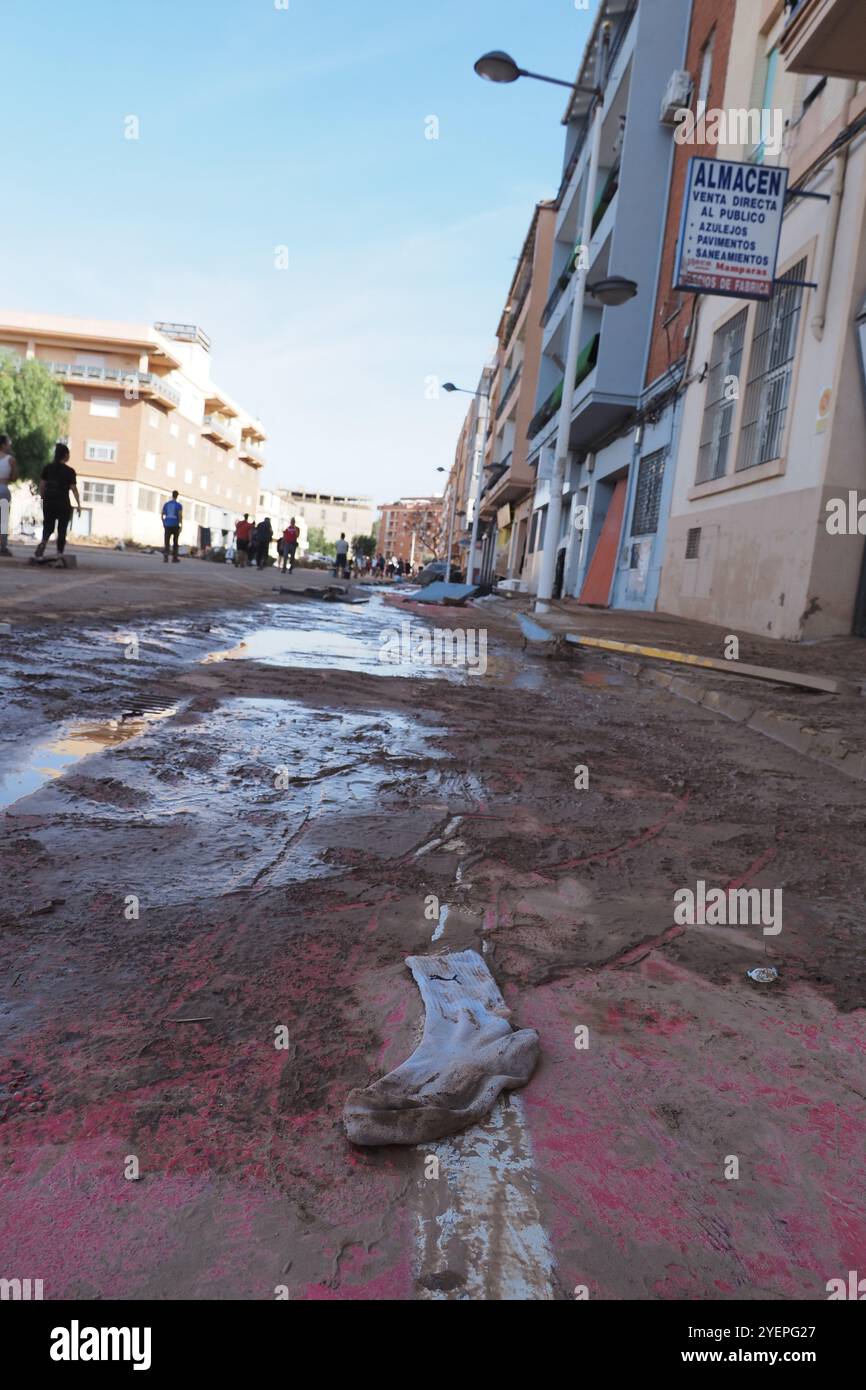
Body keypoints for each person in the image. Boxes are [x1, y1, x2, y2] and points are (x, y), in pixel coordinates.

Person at [34, 444, 80, 564]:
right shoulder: (69, 471)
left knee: (48, 525)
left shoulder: (48, 468)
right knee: (62, 528)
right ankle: (59, 553)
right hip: (63, 502)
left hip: (49, 501)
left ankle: (43, 542)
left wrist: (43, 498)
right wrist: (79, 504)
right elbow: (73, 489)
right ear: (65, 455)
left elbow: (42, 485)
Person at [0, 434, 18, 557]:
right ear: (3, 445)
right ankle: (2, 546)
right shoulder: (10, 460)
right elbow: (14, 477)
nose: (9, 445)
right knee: (3, 519)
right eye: (8, 443)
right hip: (3, 487)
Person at [161, 490, 183, 564]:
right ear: (177, 496)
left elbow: (162, 514)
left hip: (167, 525)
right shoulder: (179, 505)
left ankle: (166, 558)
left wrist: (164, 522)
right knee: (175, 542)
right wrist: (181, 525)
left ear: (172, 495)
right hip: (175, 525)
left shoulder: (167, 504)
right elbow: (180, 515)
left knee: (166, 541)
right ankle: (174, 558)